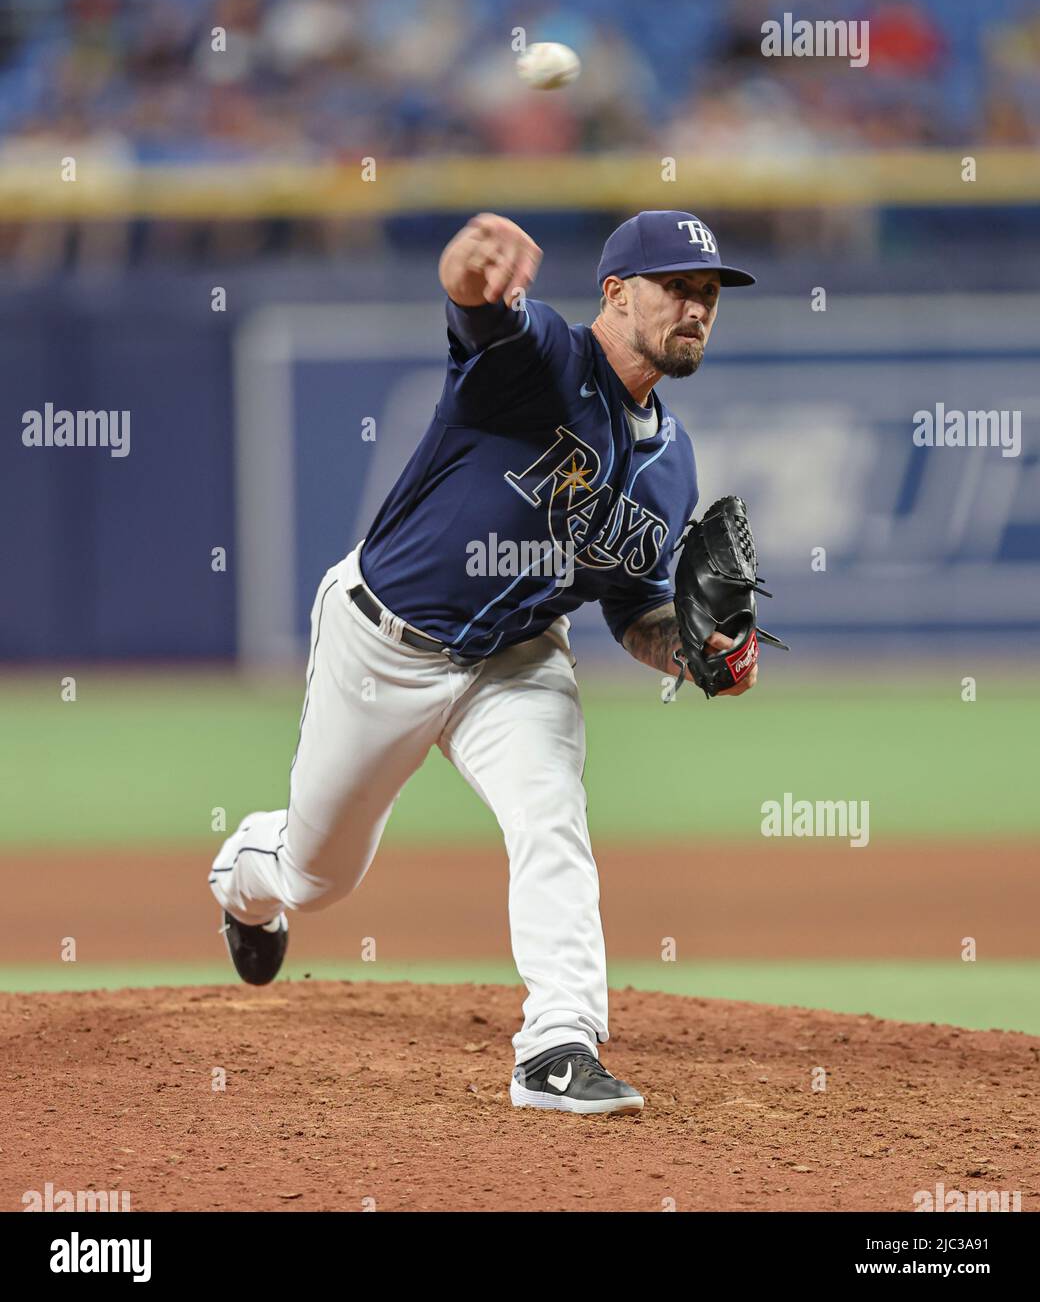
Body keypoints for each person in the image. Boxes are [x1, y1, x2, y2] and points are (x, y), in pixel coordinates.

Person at [209, 209, 758, 1115]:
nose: (695, 309)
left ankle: (557, 1045)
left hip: (517, 660)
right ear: (616, 295)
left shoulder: (674, 464)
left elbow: (634, 607)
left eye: (707, 294)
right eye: (676, 288)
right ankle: (244, 879)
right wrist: (470, 267)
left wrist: (696, 654)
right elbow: (479, 309)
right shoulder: (541, 360)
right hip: (384, 641)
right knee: (318, 874)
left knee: (552, 814)